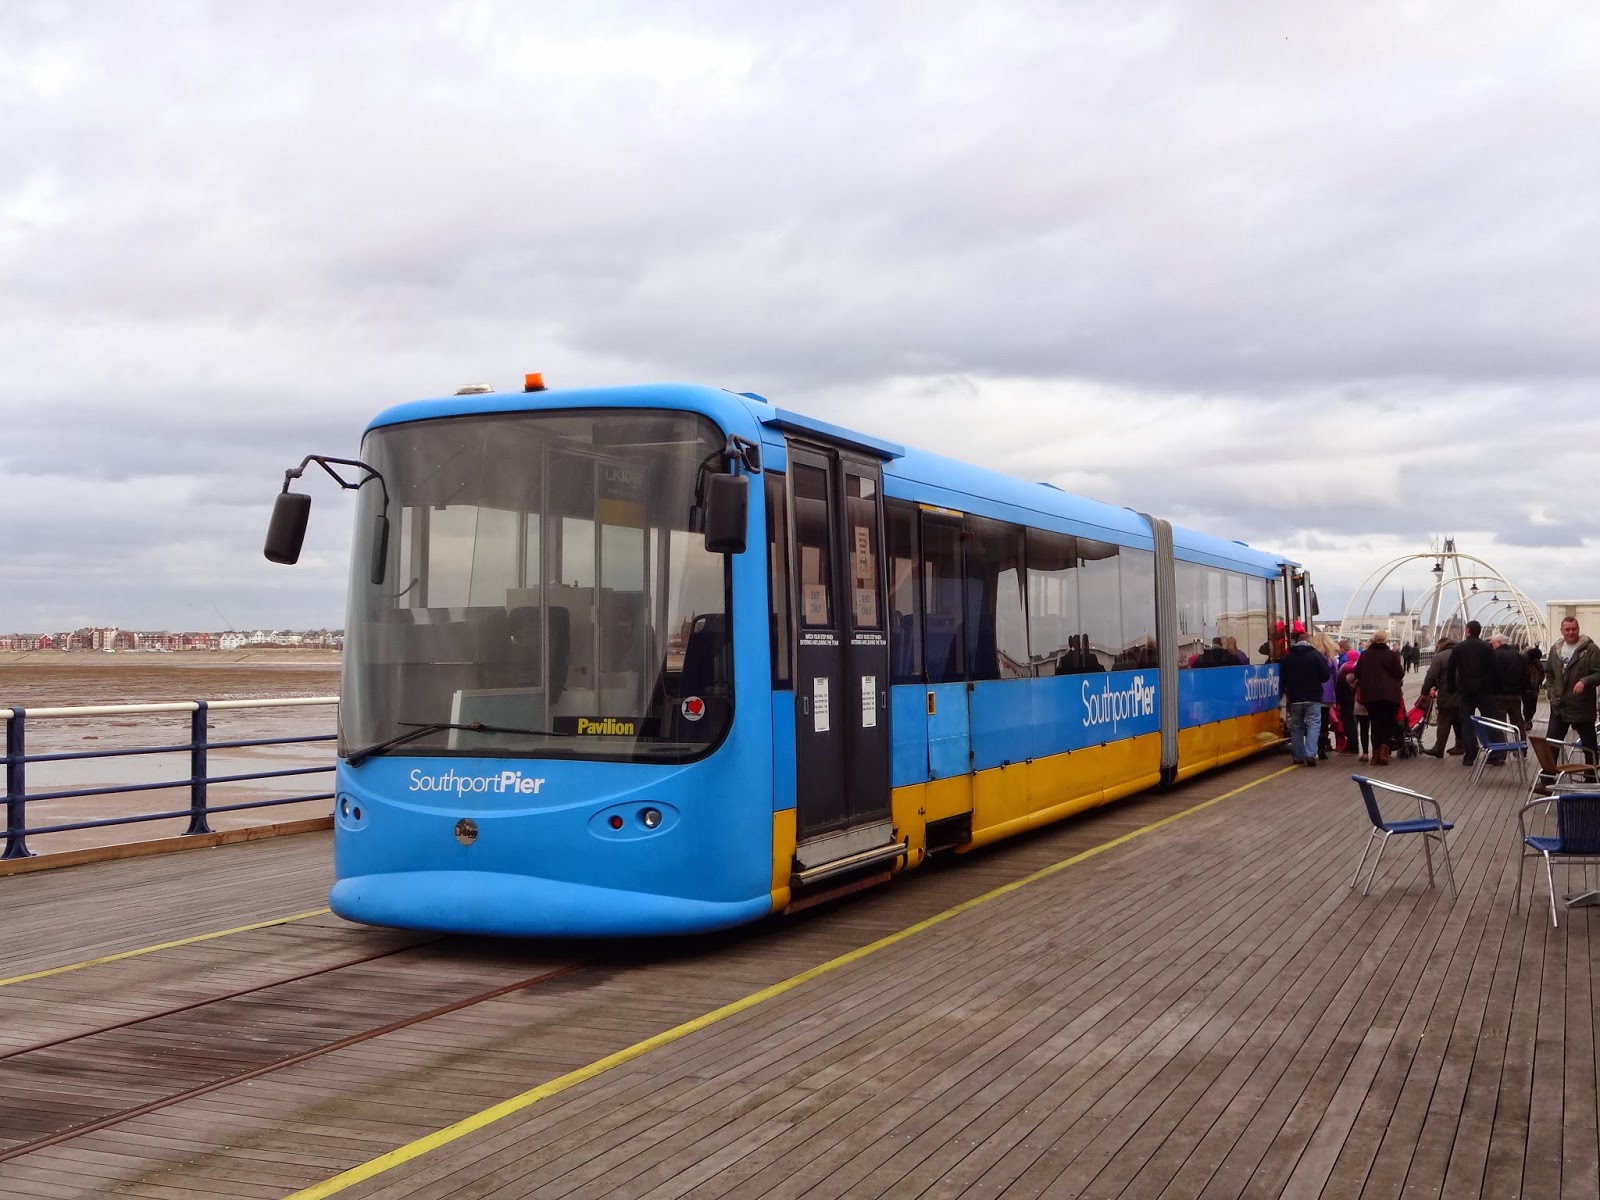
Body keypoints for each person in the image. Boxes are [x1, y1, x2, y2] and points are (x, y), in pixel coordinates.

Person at [1447, 620, 1501, 768]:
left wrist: (1451, 688)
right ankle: (1494, 755)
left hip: (1465, 691)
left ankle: (1470, 755)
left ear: (1468, 631)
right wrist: (1497, 689)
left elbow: (1451, 669)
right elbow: (1495, 669)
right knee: (1489, 722)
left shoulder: (1459, 648)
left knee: (1467, 723)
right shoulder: (1487, 647)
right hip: (1485, 690)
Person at [1545, 616, 1600, 762]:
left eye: (1573, 629)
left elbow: (1598, 673)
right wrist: (1551, 692)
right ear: (1561, 630)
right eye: (1567, 629)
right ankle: (1548, 774)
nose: (1570, 632)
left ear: (1578, 629)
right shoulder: (1555, 649)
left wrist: (1584, 681)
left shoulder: (1590, 649)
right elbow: (1549, 672)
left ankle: (1591, 774)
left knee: (1589, 748)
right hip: (1559, 707)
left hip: (1582, 707)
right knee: (1551, 745)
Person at [1280, 625, 1331, 765]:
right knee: (1313, 724)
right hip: (1313, 696)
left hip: (1295, 697)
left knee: (1296, 726)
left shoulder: (1288, 657)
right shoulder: (1316, 655)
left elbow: (1283, 677)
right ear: (1309, 641)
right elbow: (1326, 675)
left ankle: (1298, 756)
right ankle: (1310, 754)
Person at [1354, 630, 1405, 765]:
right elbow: (1400, 674)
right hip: (1390, 696)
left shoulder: (1365, 655)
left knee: (1375, 724)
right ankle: (1383, 753)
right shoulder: (1392, 655)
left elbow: (1357, 673)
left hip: (1371, 695)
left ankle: (1375, 755)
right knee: (1388, 723)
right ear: (1386, 640)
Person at [1419, 637, 1460, 756]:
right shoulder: (1464, 654)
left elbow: (1431, 676)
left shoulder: (1441, 656)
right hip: (1464, 695)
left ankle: (1439, 748)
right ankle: (1462, 746)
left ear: (1441, 645)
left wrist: (1425, 691)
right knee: (1461, 721)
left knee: (1444, 722)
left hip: (1447, 694)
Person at [1491, 633, 1530, 736]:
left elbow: (1491, 675)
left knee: (1500, 724)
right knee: (1518, 722)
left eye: (1493, 643)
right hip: (1515, 694)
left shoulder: (1495, 655)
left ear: (1498, 643)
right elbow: (1525, 674)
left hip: (1499, 695)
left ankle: (1502, 745)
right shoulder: (1517, 655)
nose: (1492, 645)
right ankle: (1521, 744)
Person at [1336, 649, 1362, 755]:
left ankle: (1352, 746)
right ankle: (1353, 745)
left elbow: (1340, 684)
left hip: (1346, 699)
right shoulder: (1358, 668)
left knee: (1348, 723)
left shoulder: (1345, 668)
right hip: (1354, 699)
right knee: (1353, 723)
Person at [1523, 646, 1545, 728]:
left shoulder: (1537, 663)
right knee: (1527, 705)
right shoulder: (1524, 663)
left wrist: (1539, 681)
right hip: (1526, 688)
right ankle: (1527, 721)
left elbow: (1542, 672)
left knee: (1533, 706)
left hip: (1534, 688)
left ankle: (1528, 719)